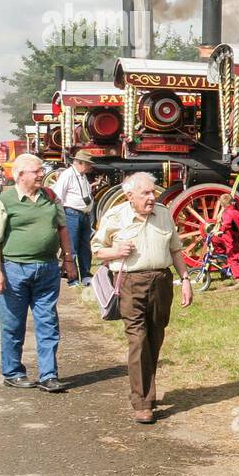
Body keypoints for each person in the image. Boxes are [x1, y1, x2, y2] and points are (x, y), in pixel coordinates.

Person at [92, 171, 194, 424]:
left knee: (155, 336)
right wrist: (115, 250)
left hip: (161, 281)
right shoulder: (116, 216)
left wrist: (185, 280)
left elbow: (176, 250)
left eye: (153, 192)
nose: (152, 197)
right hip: (130, 283)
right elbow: (96, 250)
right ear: (129, 196)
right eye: (145, 193)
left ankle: (146, 386)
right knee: (137, 339)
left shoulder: (163, 213)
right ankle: (142, 401)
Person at [0, 153, 77, 393]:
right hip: (14, 269)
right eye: (36, 171)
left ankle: (49, 375)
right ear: (20, 175)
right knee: (13, 324)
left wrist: (69, 259)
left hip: (47, 269)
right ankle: (13, 372)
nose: (41, 175)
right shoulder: (4, 201)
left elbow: (62, 229)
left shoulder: (51, 197)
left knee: (48, 322)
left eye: (41, 171)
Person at [51, 151, 95, 286]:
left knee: (85, 247)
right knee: (72, 247)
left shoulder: (82, 176)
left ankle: (86, 275)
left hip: (83, 215)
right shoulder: (68, 175)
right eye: (88, 164)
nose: (90, 167)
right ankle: (72, 278)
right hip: (71, 214)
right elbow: (58, 196)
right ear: (80, 164)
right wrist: (61, 217)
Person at [214, 192, 239, 286]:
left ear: (221, 204)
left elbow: (227, 223)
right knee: (215, 239)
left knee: (232, 257)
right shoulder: (236, 211)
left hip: (231, 239)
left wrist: (221, 230)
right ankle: (224, 262)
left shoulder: (227, 213)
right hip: (238, 236)